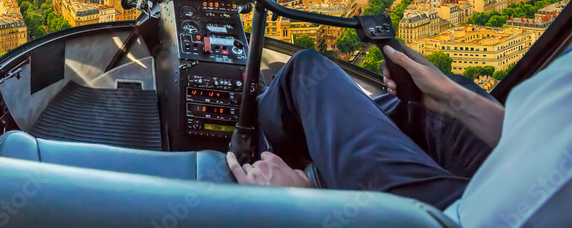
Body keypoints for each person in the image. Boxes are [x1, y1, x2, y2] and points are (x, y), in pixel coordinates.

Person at [226, 42, 572, 226]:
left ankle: (261, 150)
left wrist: (303, 206)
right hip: (518, 174)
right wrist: (453, 99)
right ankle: (332, 156)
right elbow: (544, 132)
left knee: (306, 71)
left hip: (456, 216)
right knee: (433, 101)